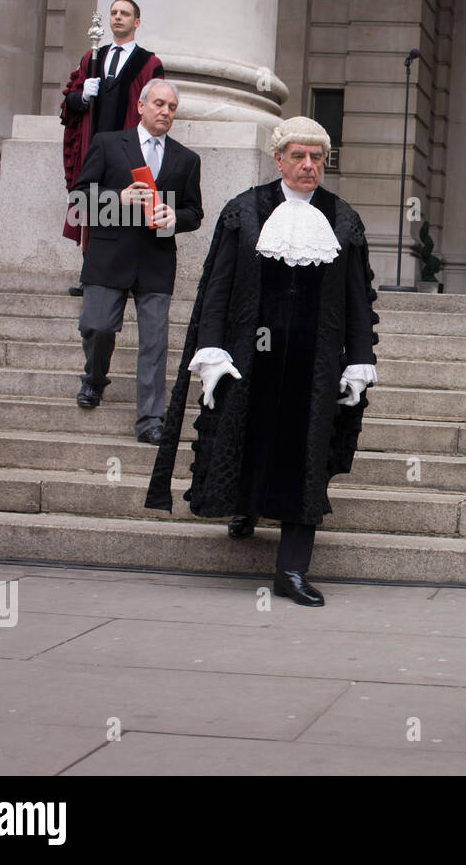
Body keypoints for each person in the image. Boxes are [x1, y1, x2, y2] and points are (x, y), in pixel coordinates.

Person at [145, 117, 379, 608]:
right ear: (279, 159)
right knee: (248, 439)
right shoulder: (245, 211)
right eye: (298, 155)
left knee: (306, 458)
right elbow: (218, 289)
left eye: (317, 157)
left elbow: (357, 299)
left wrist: (358, 360)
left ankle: (291, 569)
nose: (308, 165)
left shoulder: (343, 219)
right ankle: (246, 508)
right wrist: (211, 350)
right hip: (251, 356)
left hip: (315, 365)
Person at [71, 79, 203, 447]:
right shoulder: (109, 144)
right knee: (97, 327)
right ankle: (95, 380)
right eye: (159, 103)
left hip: (156, 260)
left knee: (155, 343)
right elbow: (79, 198)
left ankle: (150, 419)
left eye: (172, 107)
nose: (165, 112)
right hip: (109, 255)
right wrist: (119, 198)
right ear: (142, 106)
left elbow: (195, 211)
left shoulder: (187, 159)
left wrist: (174, 217)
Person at [60, 0, 166, 294]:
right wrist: (82, 96)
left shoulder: (149, 62)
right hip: (94, 146)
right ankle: (90, 274)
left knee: (129, 207)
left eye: (125, 13)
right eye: (114, 13)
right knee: (93, 203)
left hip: (129, 146)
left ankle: (129, 276)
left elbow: (157, 104)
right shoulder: (92, 57)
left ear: (137, 21)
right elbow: (69, 101)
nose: (118, 17)